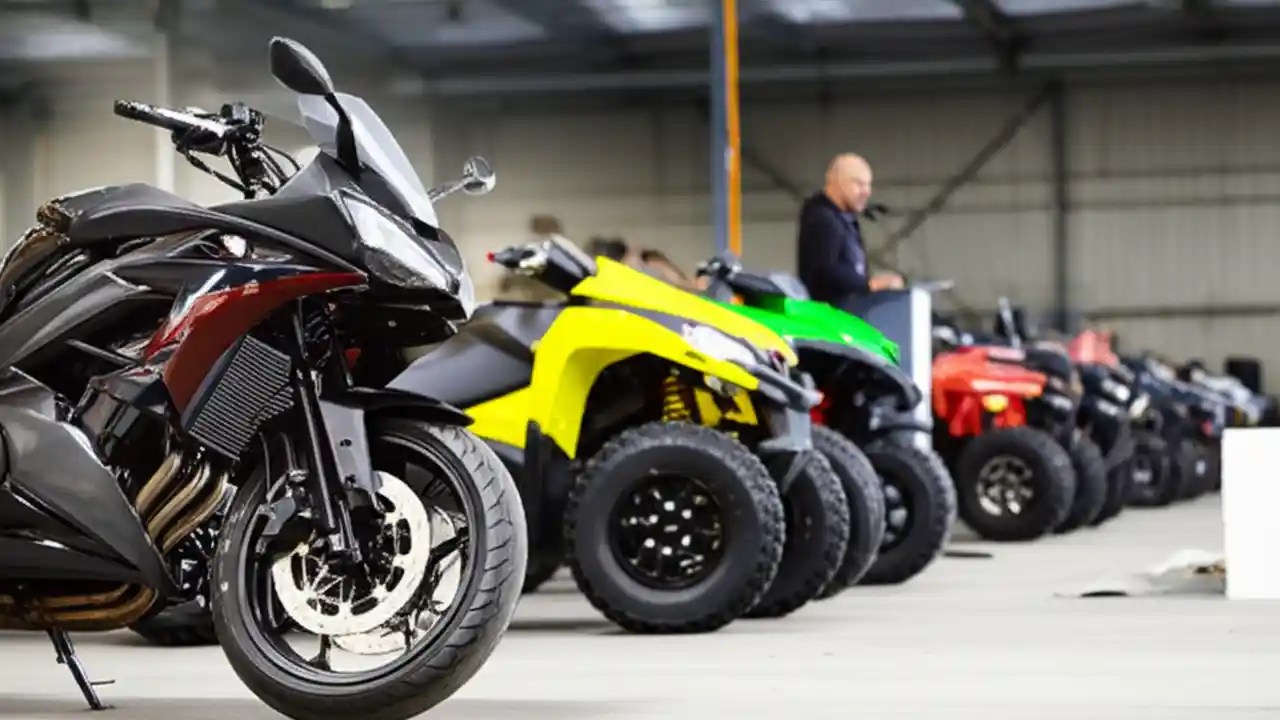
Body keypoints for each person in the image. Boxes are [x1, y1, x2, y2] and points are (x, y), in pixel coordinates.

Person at [796, 153, 904, 312]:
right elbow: (825, 270)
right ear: (837, 182)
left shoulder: (844, 219)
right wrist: (869, 284)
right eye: (859, 184)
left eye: (868, 185)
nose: (867, 192)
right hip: (831, 317)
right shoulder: (822, 217)